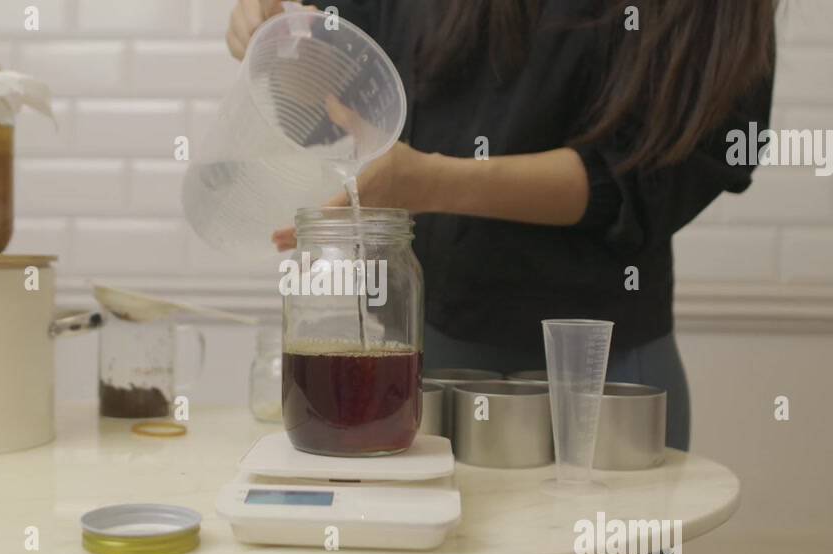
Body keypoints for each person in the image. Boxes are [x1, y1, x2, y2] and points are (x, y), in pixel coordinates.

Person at [227, 0, 777, 451]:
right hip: (432, 352)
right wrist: (285, 43)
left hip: (606, 375)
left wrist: (431, 182)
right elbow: (354, 86)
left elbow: (658, 176)